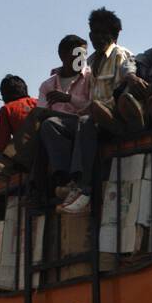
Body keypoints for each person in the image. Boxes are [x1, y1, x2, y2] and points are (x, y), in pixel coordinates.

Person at [37, 35, 98, 214]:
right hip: (57, 126)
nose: (81, 58)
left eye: (84, 54)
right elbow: (41, 110)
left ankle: (76, 181)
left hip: (83, 123)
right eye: (77, 53)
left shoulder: (90, 77)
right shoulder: (48, 85)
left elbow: (92, 105)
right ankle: (62, 179)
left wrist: (68, 98)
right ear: (63, 55)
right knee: (47, 125)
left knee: (83, 122)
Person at [84, 6, 141, 135]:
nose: (99, 37)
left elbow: (121, 93)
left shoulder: (120, 55)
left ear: (114, 36)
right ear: (90, 35)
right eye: (95, 32)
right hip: (94, 118)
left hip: (115, 116)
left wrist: (100, 110)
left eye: (104, 33)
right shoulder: (89, 62)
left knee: (92, 113)